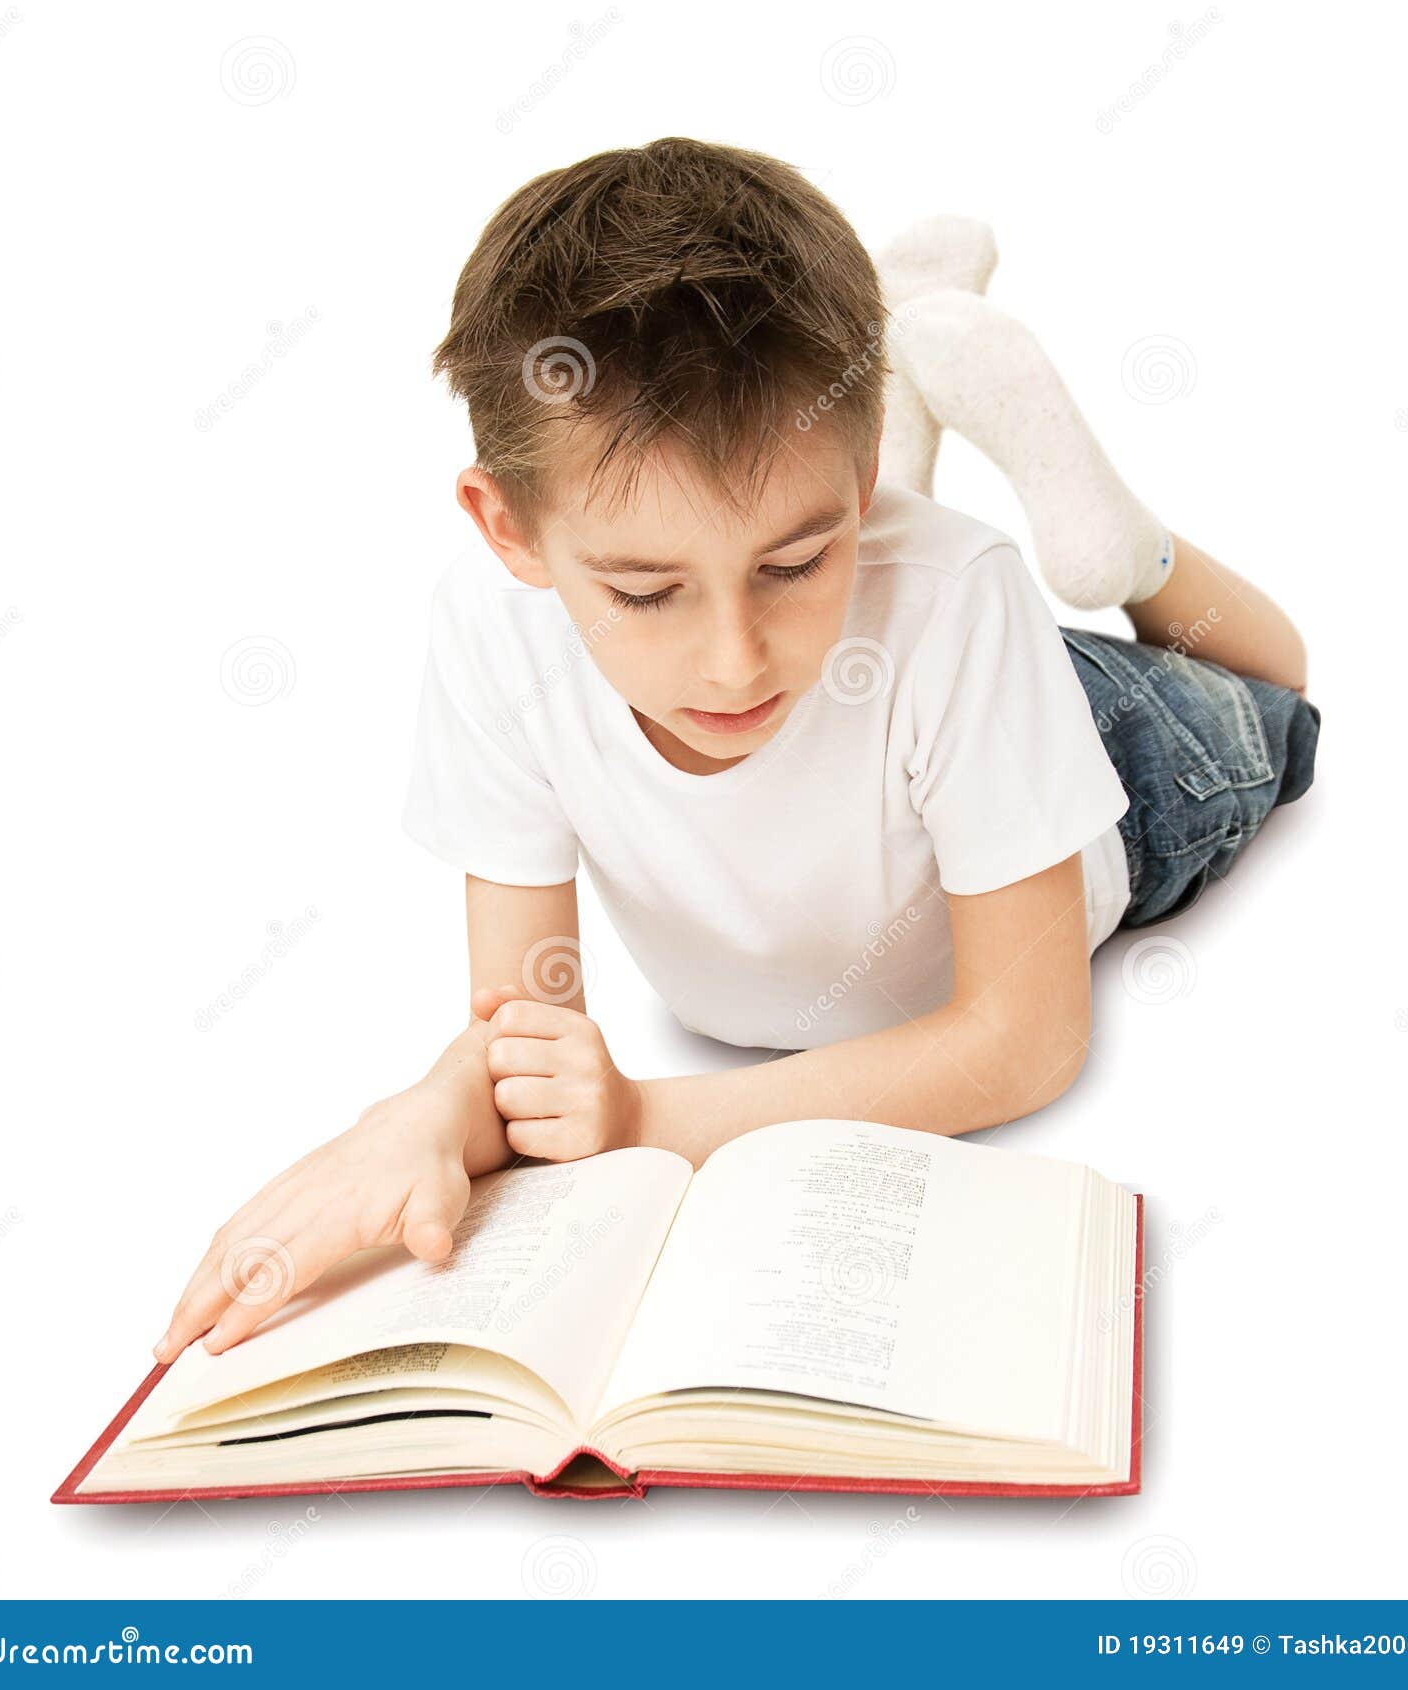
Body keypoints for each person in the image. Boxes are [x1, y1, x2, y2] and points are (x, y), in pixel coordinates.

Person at [154, 137, 1317, 1363]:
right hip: (915, 696)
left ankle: (1116, 547)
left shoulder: (962, 602)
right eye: (647, 590)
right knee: (851, 584)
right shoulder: (493, 627)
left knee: (1272, 700)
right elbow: (522, 1022)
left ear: (851, 486)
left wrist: (646, 1114)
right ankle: (898, 367)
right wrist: (434, 1106)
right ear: (511, 530)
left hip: (1103, 759)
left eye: (793, 561)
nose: (732, 663)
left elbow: (1025, 1036)